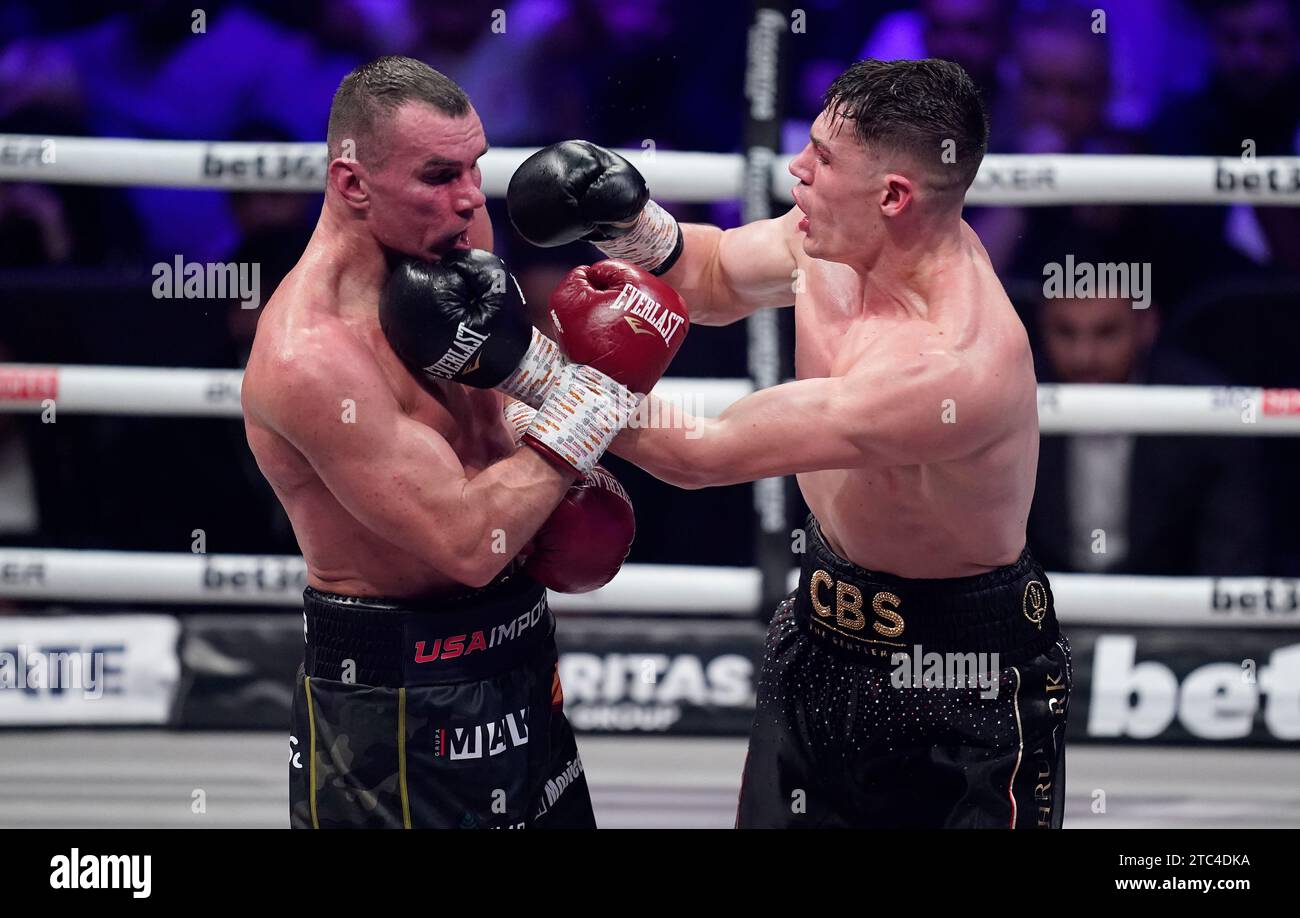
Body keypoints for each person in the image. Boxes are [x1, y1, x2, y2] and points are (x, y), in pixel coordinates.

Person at [507, 58, 1070, 828]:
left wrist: (522, 366)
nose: (795, 170)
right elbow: (710, 277)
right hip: (821, 634)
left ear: (894, 196)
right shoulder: (828, 241)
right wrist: (627, 222)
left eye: (823, 160)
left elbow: (704, 450)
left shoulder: (953, 366)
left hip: (960, 674)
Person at [241, 56, 686, 828]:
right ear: (352, 184)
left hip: (521, 656)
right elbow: (469, 541)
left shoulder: (458, 243)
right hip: (395, 705)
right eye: (439, 174)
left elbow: (495, 412)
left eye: (475, 167)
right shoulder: (309, 358)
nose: (471, 197)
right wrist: (596, 395)